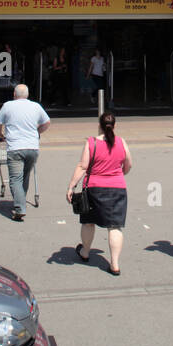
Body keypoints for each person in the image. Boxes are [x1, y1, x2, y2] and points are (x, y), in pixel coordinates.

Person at [66, 111, 132, 275]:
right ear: (114, 126)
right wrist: (118, 173)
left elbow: (82, 166)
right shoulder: (121, 142)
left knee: (88, 222)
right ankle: (115, 264)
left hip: (94, 188)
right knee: (115, 226)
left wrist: (71, 186)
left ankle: (85, 252)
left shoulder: (91, 143)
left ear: (99, 126)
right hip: (117, 188)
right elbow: (128, 165)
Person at [0, 84, 50, 221]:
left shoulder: (7, 106)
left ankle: (20, 208)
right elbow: (47, 122)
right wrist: (37, 132)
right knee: (25, 176)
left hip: (15, 148)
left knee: (15, 180)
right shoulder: (36, 106)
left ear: (14, 94)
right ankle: (21, 200)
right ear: (27, 95)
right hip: (32, 148)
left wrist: (0, 134)